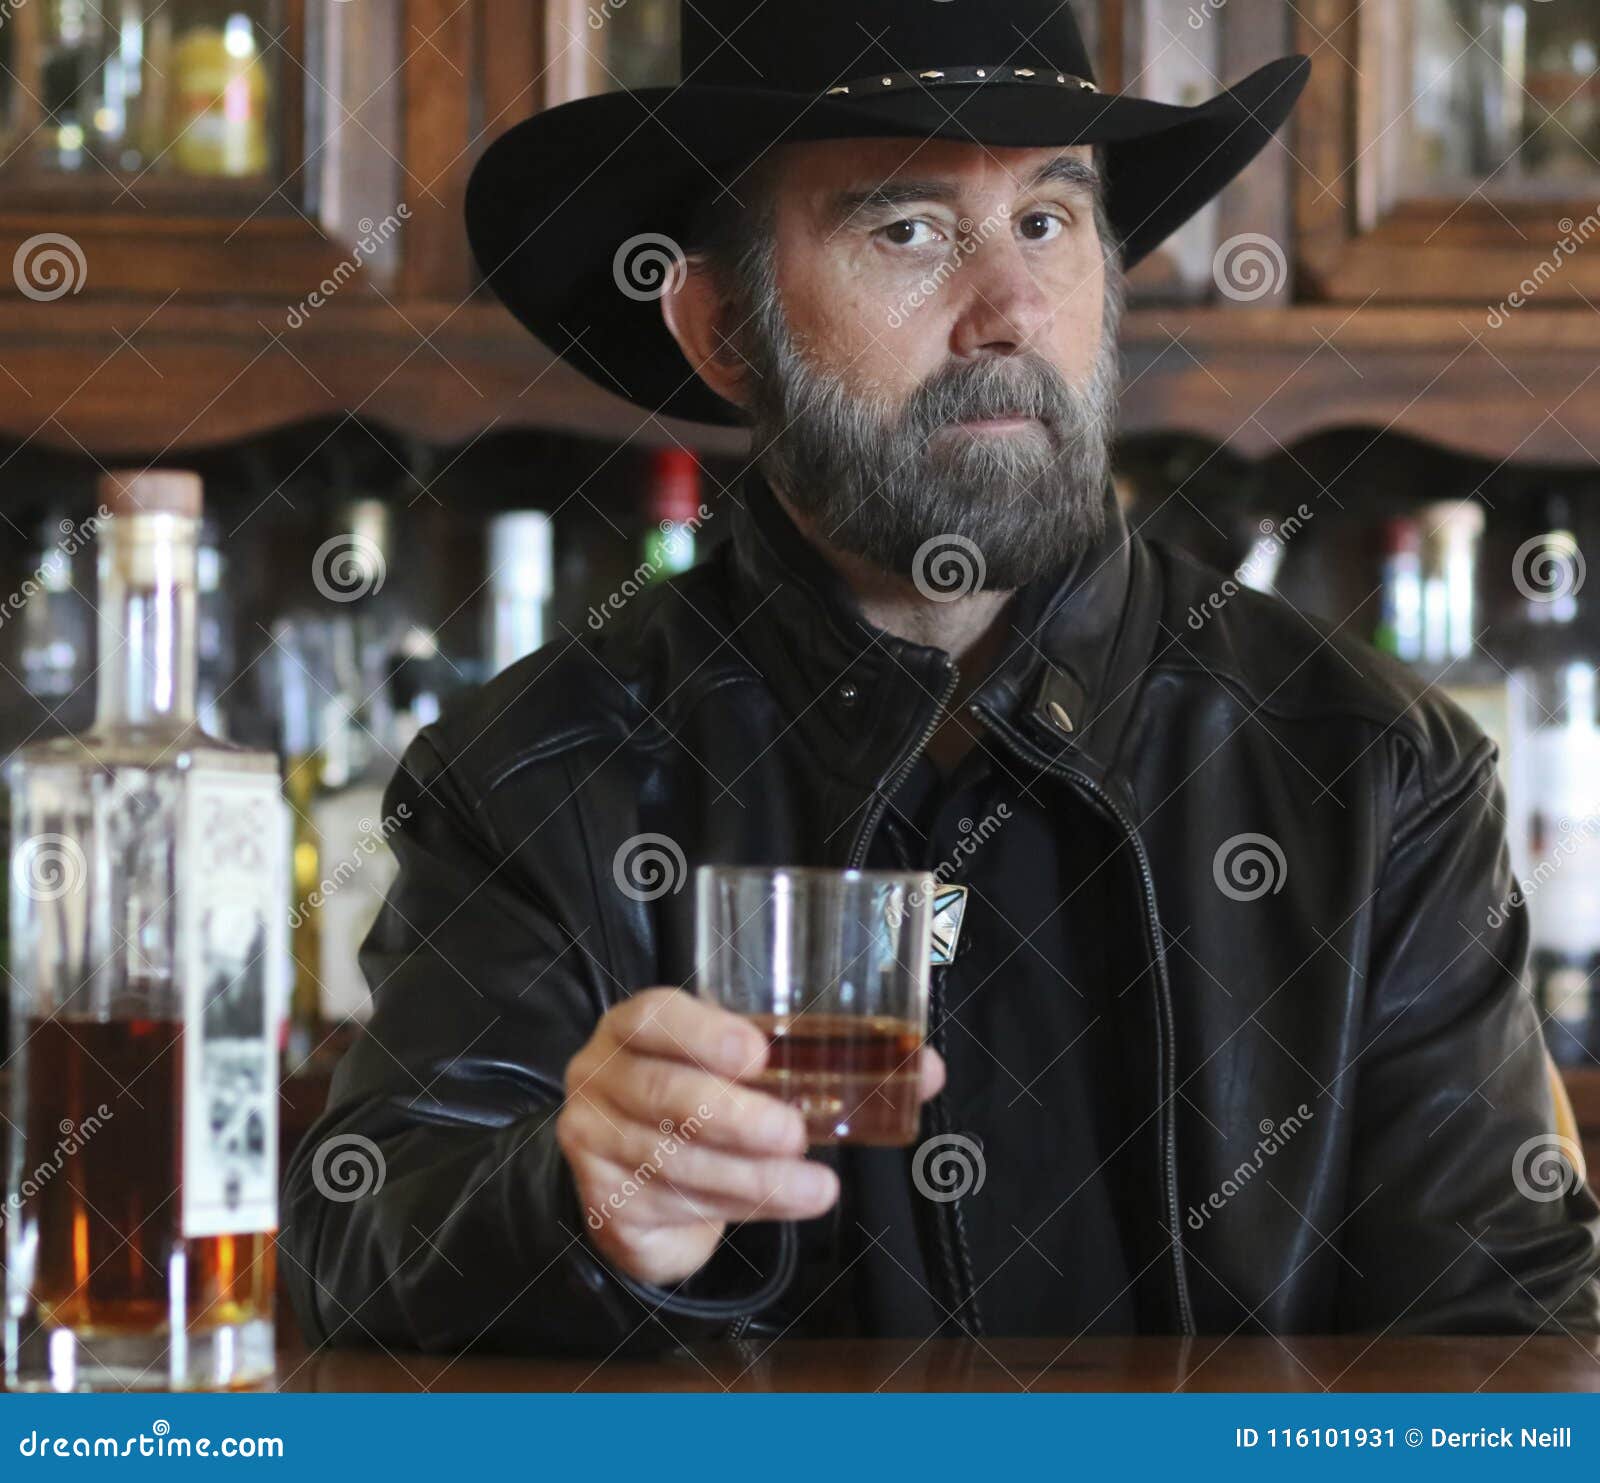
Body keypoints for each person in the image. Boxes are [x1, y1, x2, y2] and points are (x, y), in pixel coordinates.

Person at [282, 0, 1600, 1354]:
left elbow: (1509, 1349)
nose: (1011, 308)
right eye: (906, 231)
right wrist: (574, 1210)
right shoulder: (533, 774)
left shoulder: (1374, 769)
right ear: (723, 326)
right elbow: (349, 1258)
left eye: (1048, 220)